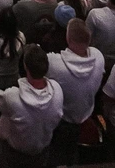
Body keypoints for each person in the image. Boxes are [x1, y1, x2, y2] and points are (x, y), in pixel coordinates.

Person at [47, 19, 105, 166]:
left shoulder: (54, 63)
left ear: (68, 38)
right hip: (86, 114)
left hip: (60, 120)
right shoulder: (98, 57)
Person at [0, 44, 63, 168]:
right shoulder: (57, 90)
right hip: (42, 151)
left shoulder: (12, 95)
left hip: (13, 152)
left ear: (25, 66)